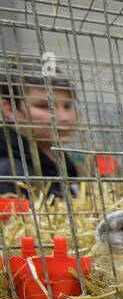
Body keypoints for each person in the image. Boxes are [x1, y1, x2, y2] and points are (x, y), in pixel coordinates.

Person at [0, 66, 81, 199]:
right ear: (10, 109)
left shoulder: (62, 164)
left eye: (68, 106)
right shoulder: (9, 171)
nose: (64, 117)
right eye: (44, 106)